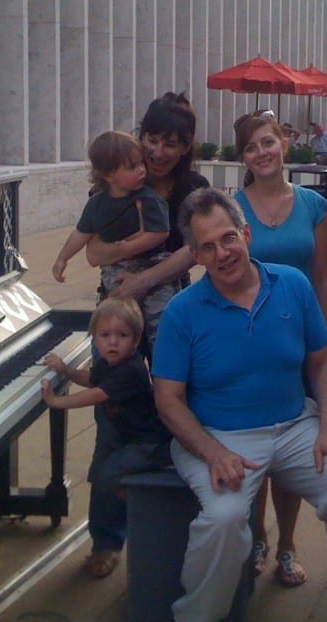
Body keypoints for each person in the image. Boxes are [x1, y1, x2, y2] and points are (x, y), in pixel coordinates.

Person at [153, 187, 327, 622]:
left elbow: (323, 360)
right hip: (219, 436)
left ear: (246, 234)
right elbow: (168, 399)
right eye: (208, 246)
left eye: (227, 238)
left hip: (294, 424)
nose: (222, 253)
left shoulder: (292, 285)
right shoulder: (182, 312)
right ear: (195, 255)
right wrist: (211, 452)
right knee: (223, 519)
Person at [81, 91, 210, 576]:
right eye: (152, 138)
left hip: (168, 307)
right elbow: (92, 250)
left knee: (177, 403)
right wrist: (118, 260)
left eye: (171, 143)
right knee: (111, 409)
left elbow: (191, 248)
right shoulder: (114, 178)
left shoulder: (191, 187)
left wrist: (137, 279)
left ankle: (178, 521)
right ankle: (107, 537)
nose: (158, 152)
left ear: (186, 146)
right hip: (115, 314)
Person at [233, 108, 327, 588]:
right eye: (252, 147)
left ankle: (289, 543)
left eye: (268, 142)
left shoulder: (313, 205)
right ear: (243, 158)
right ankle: (256, 536)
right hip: (249, 341)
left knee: (294, 448)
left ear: (284, 145)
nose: (262, 153)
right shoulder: (233, 207)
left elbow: (321, 278)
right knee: (255, 446)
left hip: (300, 341)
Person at [40, 298, 172, 578]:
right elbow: (91, 380)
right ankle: (109, 538)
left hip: (149, 443)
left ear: (136, 341)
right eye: (105, 335)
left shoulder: (131, 368)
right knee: (101, 476)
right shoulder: (109, 363)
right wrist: (65, 370)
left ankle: (142, 507)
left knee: (106, 476)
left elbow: (96, 395)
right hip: (124, 436)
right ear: (95, 337)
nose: (113, 342)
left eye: (122, 336)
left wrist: (56, 401)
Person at [51, 130, 175, 348]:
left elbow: (160, 232)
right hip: (114, 274)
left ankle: (162, 359)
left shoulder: (148, 199)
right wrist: (62, 258)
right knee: (117, 323)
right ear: (108, 175)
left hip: (152, 267)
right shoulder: (96, 204)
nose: (141, 171)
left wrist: (129, 247)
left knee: (161, 322)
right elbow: (81, 233)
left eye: (141, 164)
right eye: (132, 167)